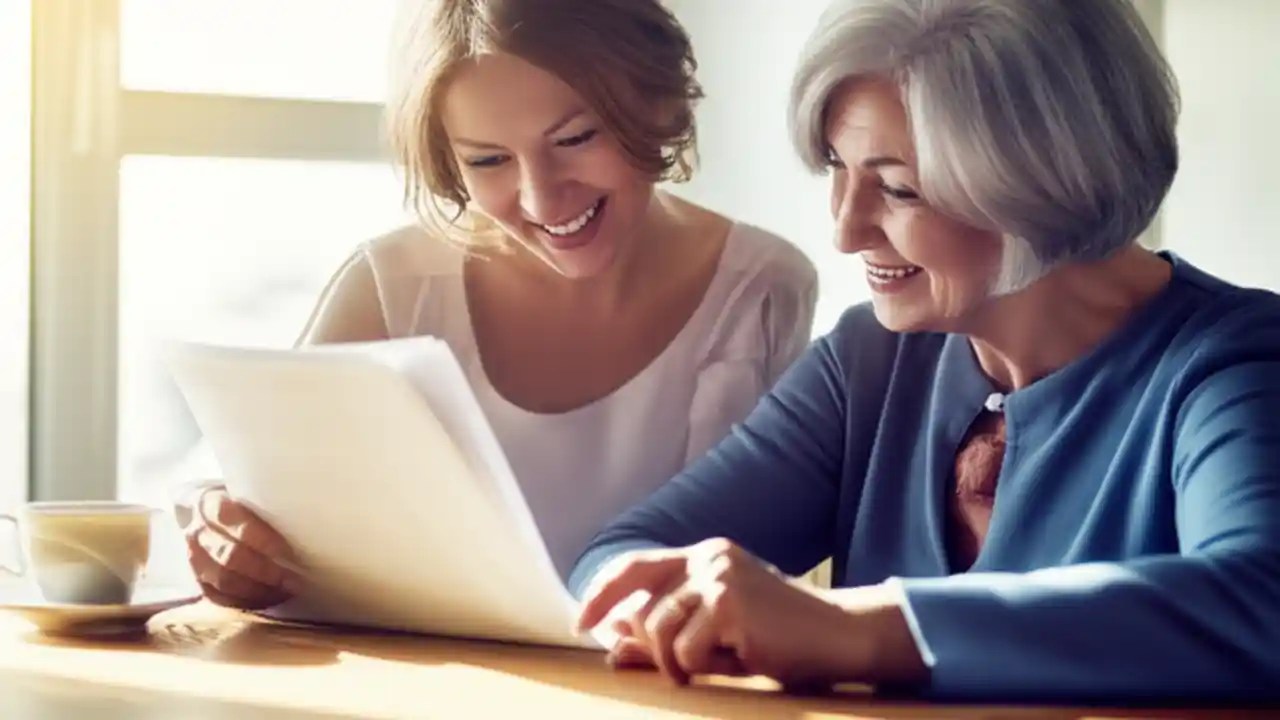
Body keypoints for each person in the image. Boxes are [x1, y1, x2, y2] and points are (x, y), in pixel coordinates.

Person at [570, 0, 1280, 702]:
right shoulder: (867, 361)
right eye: (836, 168)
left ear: (1050, 181)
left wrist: (856, 627)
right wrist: (660, 612)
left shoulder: (1233, 361)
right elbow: (626, 556)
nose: (846, 231)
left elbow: (1262, 600)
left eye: (899, 189)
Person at [176, 0, 817, 610]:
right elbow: (240, 499)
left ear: (659, 101)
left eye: (575, 138)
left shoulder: (760, 285)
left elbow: (748, 557)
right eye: (488, 160)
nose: (541, 199)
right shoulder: (393, 285)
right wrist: (228, 545)